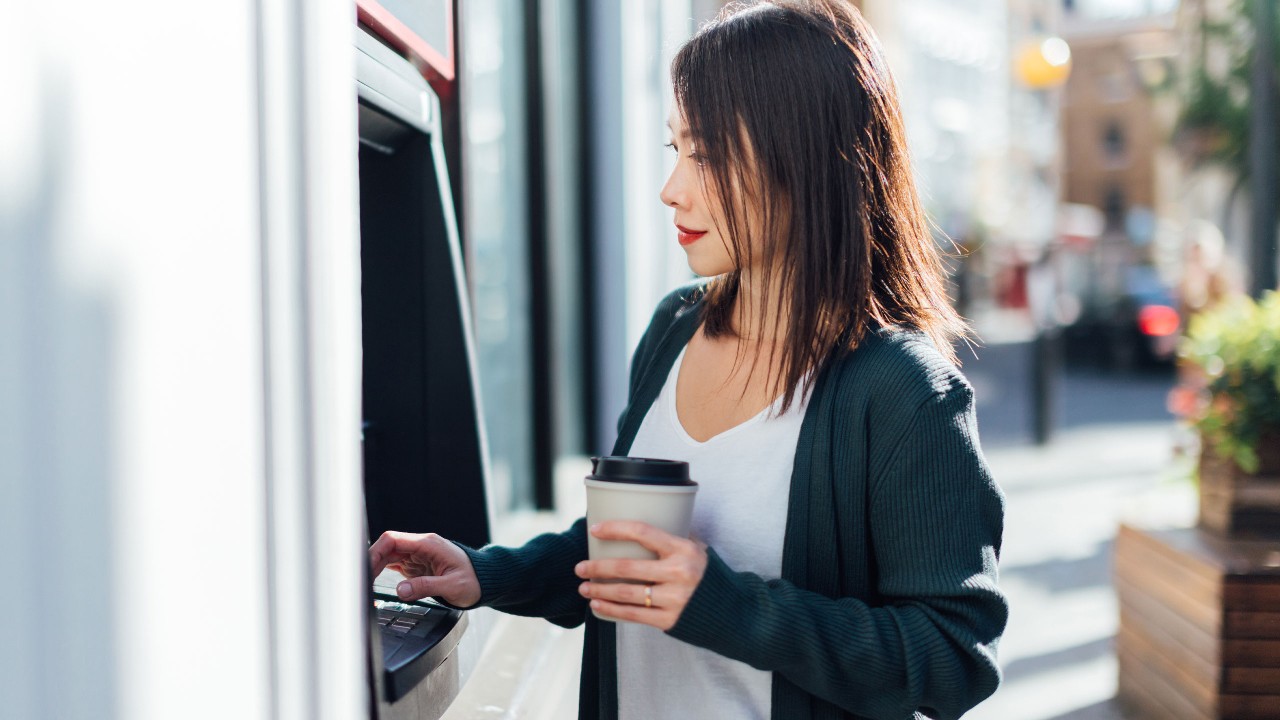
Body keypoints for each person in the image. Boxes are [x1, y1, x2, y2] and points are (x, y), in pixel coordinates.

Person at [369, 1, 1008, 718]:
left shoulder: (902, 391)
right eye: (676, 151)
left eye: (705, 153)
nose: (673, 188)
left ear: (800, 154)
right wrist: (486, 574)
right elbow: (625, 551)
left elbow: (954, 658)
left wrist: (723, 605)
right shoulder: (674, 328)